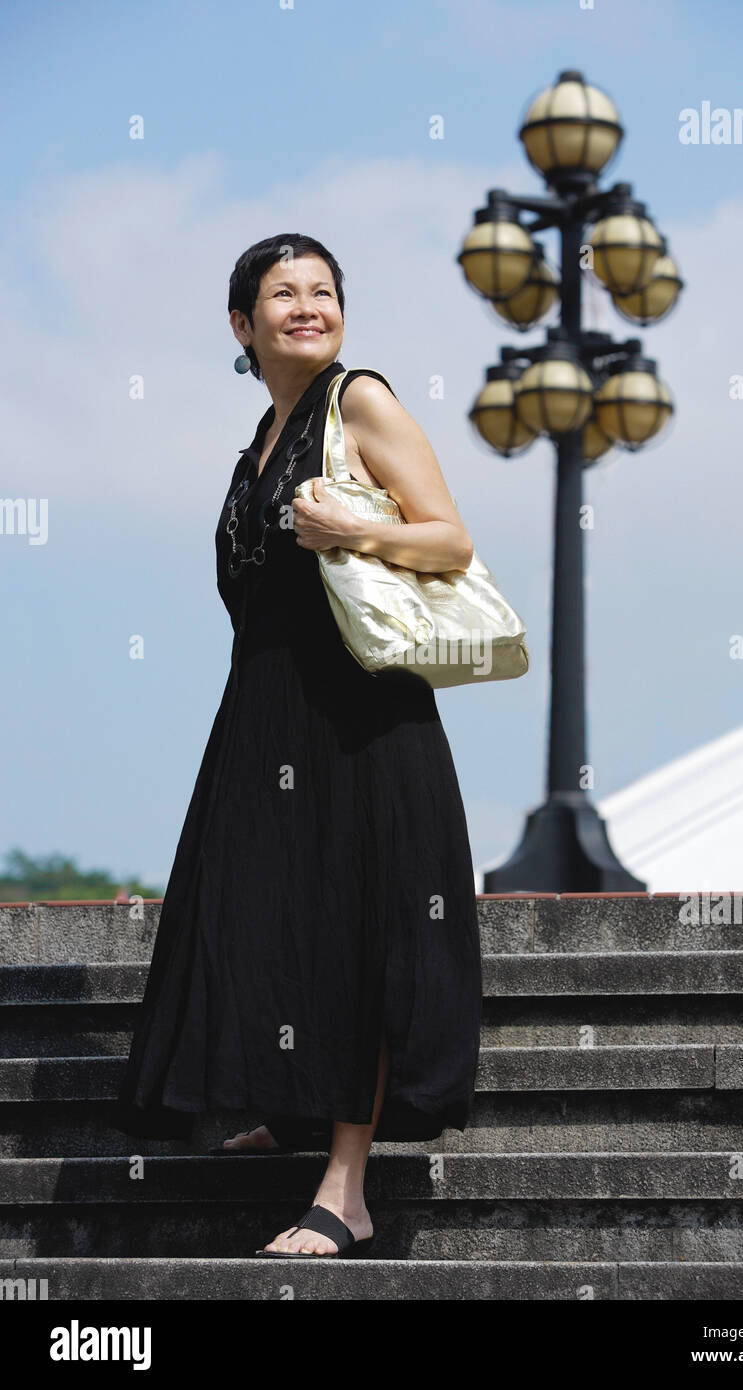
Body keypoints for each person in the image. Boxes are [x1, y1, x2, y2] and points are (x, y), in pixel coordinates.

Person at [114, 233, 483, 1258]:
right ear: (244, 323)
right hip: (266, 712)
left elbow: (448, 537)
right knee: (260, 914)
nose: (308, 306)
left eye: (324, 290)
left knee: (357, 933)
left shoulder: (359, 400)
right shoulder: (261, 439)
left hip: (363, 715)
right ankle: (286, 1095)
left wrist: (352, 533)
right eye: (284, 293)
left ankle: (347, 1185)